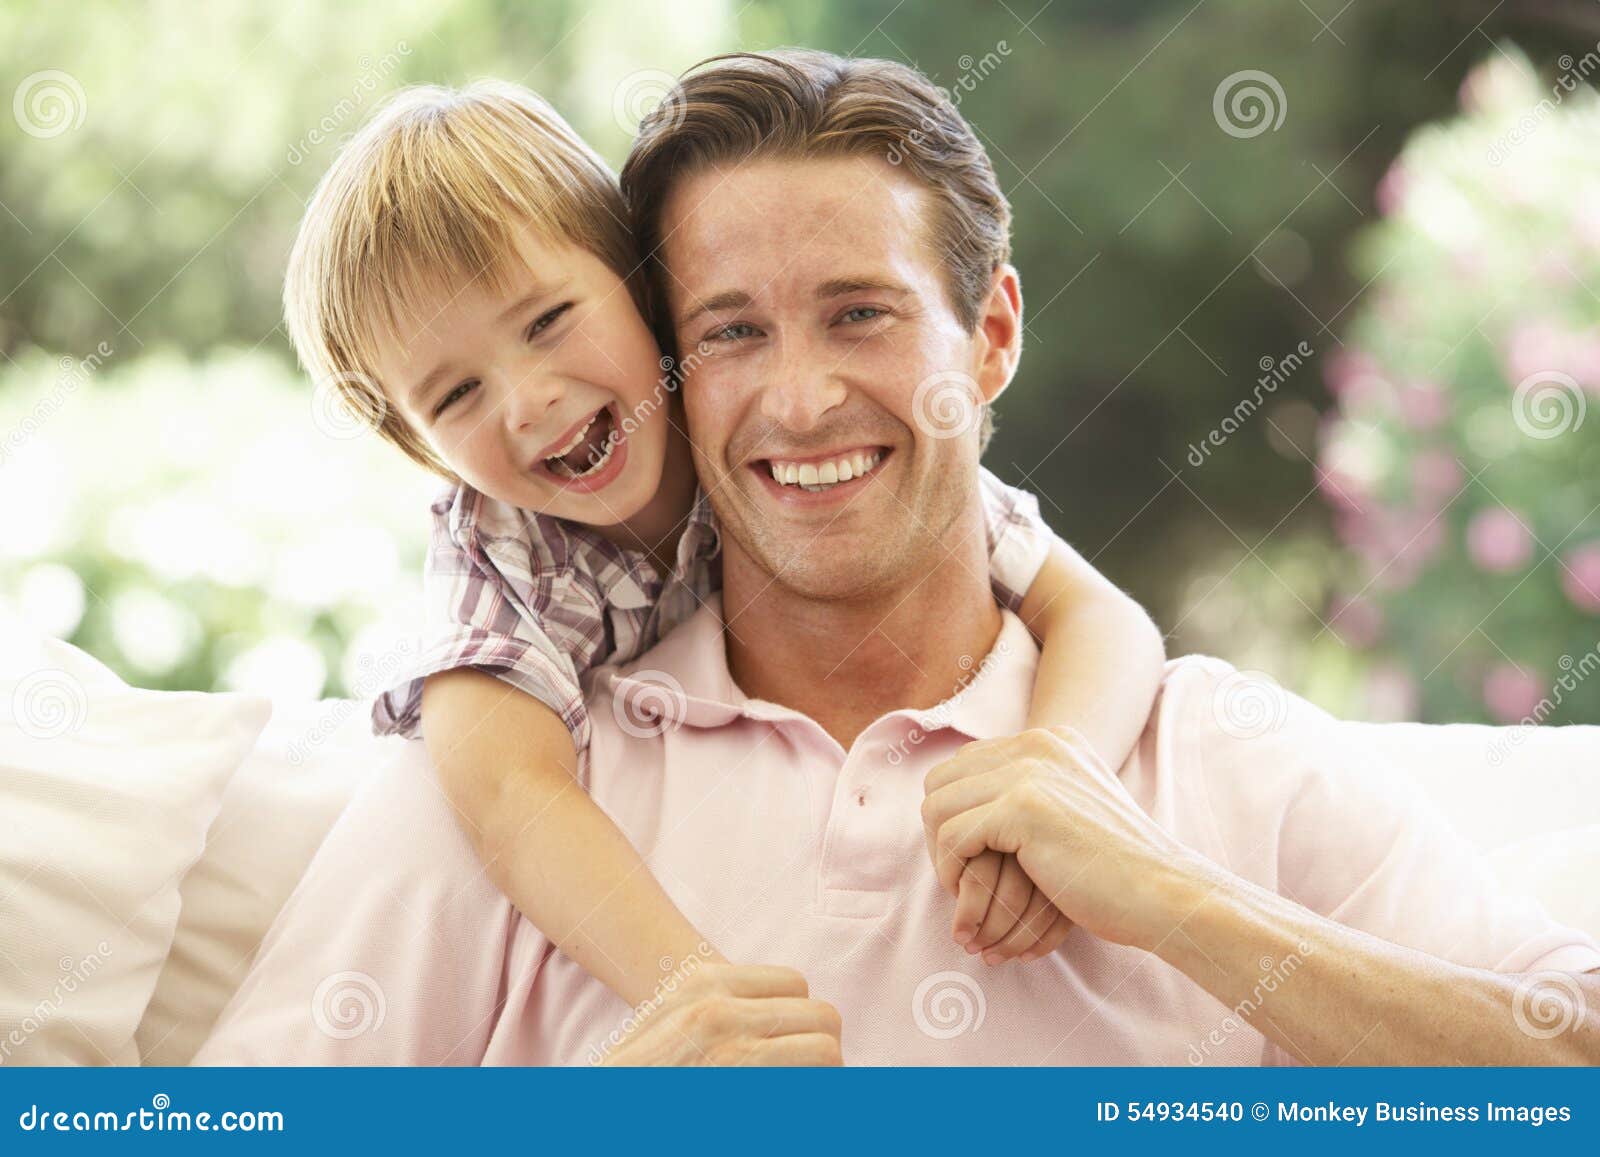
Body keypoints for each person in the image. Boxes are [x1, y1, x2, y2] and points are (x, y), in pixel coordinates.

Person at [200, 50, 1599, 1066]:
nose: (800, 400)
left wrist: (1178, 901)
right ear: (680, 358)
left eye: (859, 313)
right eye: (736, 329)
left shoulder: (1218, 754)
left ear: (989, 336)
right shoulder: (501, 780)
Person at [278, 77, 1166, 1014]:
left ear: (643, 294)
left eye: (547, 323)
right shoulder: (504, 552)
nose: (528, 399)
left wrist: (1058, 772)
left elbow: (1096, 610)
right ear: (422, 447)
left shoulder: (778, 442)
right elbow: (506, 791)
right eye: (456, 396)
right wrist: (689, 988)